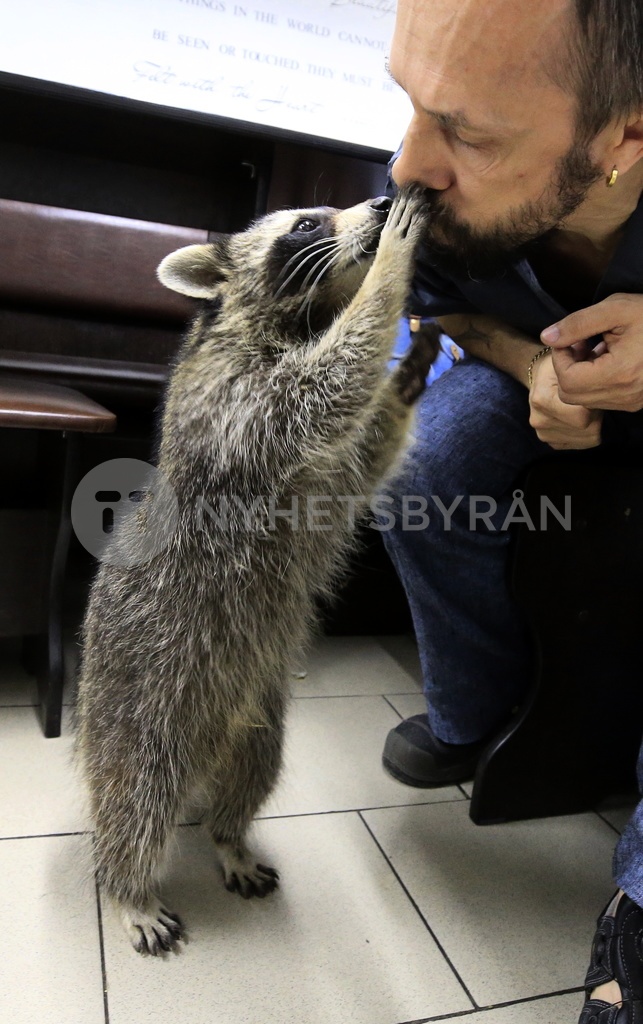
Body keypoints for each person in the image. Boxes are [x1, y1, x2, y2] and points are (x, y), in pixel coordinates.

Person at [378, 2, 643, 1021]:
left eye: (467, 132)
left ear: (625, 134)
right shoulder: (422, 180)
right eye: (408, 102)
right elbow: (442, 308)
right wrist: (533, 363)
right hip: (535, 359)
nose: (407, 164)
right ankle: (483, 714)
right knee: (418, 470)